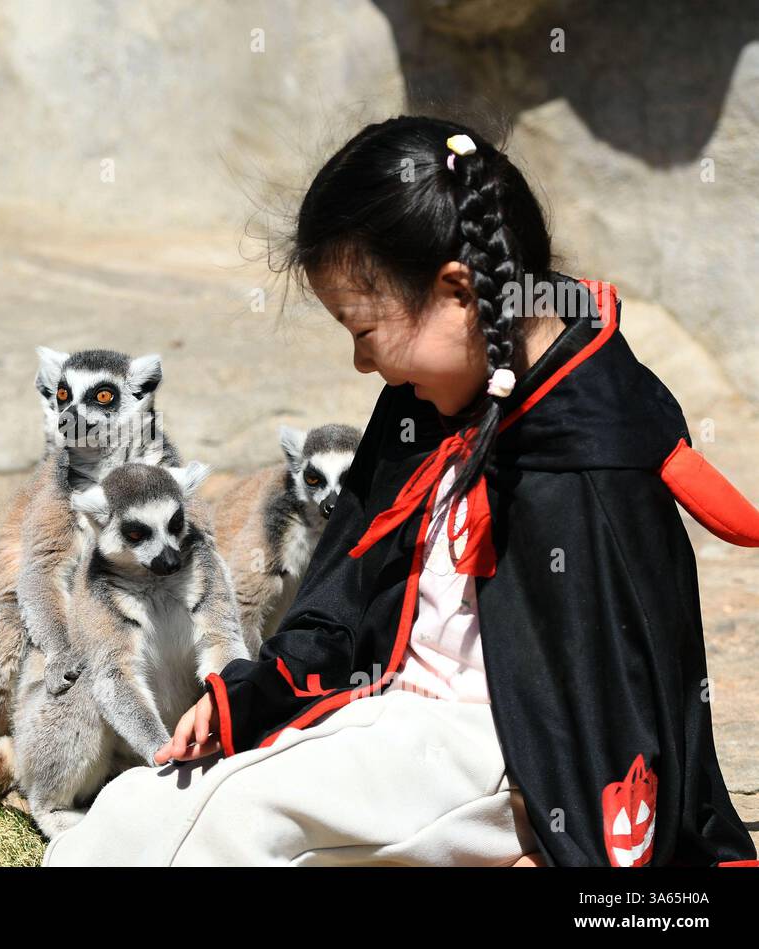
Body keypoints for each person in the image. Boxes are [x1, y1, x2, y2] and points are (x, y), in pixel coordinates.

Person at [43, 116, 759, 867]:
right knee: (132, 811)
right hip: (386, 718)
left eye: (363, 330)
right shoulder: (428, 398)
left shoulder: (587, 456)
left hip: (495, 754)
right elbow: (348, 587)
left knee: (222, 829)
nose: (361, 365)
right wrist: (250, 698)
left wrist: (570, 851)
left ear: (456, 291)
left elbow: (617, 698)